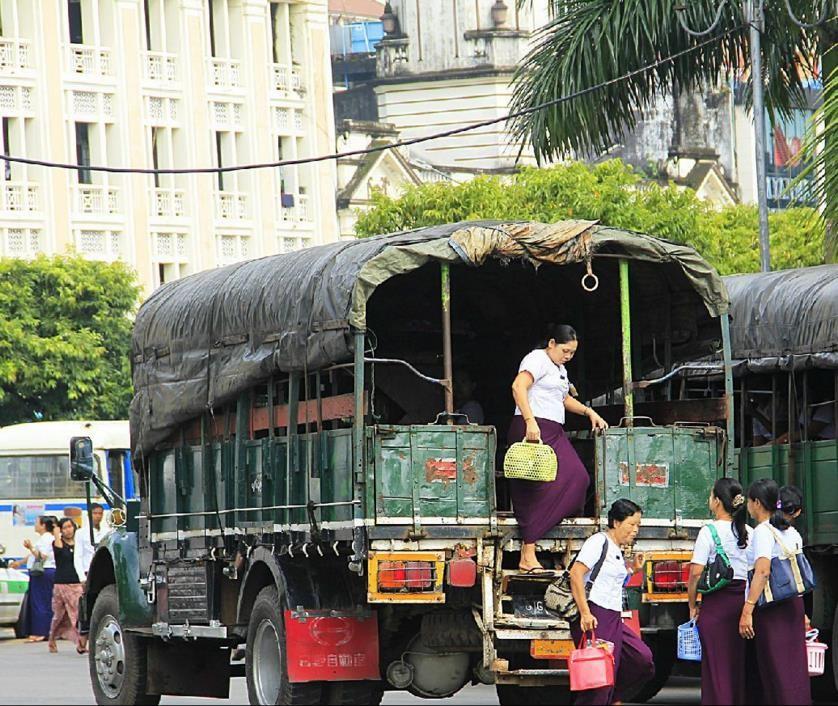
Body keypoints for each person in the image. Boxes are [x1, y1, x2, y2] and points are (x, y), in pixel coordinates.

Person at [509, 324, 609, 571]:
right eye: (565, 350)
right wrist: (530, 420)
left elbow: (563, 399)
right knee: (536, 487)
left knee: (578, 478)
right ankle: (528, 551)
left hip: (553, 431)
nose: (568, 356)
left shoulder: (559, 369)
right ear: (552, 343)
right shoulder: (537, 359)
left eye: (573, 353)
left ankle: (534, 540)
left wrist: (589, 412)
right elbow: (517, 387)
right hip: (533, 428)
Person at [569, 499, 654, 705]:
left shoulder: (617, 549)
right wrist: (585, 613)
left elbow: (612, 583)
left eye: (638, 526)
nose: (635, 530)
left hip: (613, 618)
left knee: (642, 659)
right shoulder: (599, 542)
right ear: (616, 522)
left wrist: (633, 568)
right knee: (598, 680)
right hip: (596, 616)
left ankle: (615, 696)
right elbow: (576, 573)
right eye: (631, 524)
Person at [740, 479, 810, 705]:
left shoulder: (763, 531)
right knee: (794, 669)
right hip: (793, 605)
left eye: (749, 501)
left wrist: (748, 608)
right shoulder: (792, 532)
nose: (748, 506)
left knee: (774, 669)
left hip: (772, 607)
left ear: (757, 503)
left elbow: (762, 571)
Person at [687, 478, 752, 705]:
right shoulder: (749, 532)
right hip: (743, 604)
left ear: (717, 501)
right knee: (737, 667)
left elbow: (696, 572)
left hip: (716, 605)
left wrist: (692, 603)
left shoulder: (709, 531)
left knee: (716, 667)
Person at [11, 515, 57, 642]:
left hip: (43, 572)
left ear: (43, 525)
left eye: (37, 523)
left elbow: (42, 556)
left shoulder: (46, 539)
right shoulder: (44, 539)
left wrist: (30, 547)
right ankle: (43, 630)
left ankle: (41, 631)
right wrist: (20, 562)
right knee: (42, 602)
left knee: (40, 603)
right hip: (42, 573)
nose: (35, 525)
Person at [48, 517, 86, 654]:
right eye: (65, 527)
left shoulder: (79, 544)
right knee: (58, 616)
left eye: (70, 526)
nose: (68, 530)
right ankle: (52, 638)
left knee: (77, 613)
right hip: (61, 584)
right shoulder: (58, 543)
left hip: (76, 583)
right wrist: (56, 532)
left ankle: (81, 643)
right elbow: (58, 546)